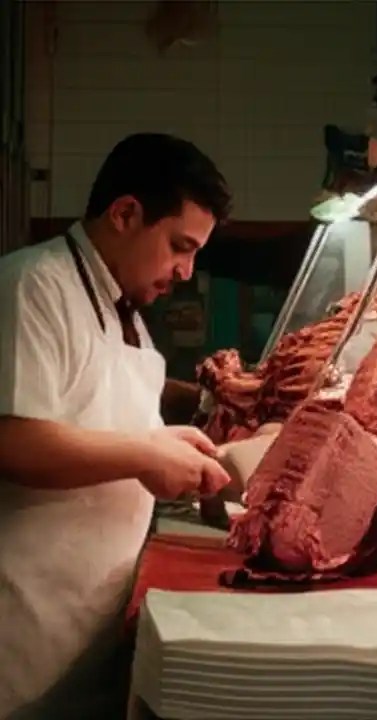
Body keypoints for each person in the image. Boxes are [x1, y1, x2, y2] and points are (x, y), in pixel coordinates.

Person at [0, 133, 235, 718]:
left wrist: (157, 440)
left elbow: (91, 420)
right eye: (180, 246)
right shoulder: (34, 285)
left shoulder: (119, 303)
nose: (186, 271)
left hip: (87, 617)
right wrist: (144, 456)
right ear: (126, 213)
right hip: (21, 621)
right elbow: (13, 438)